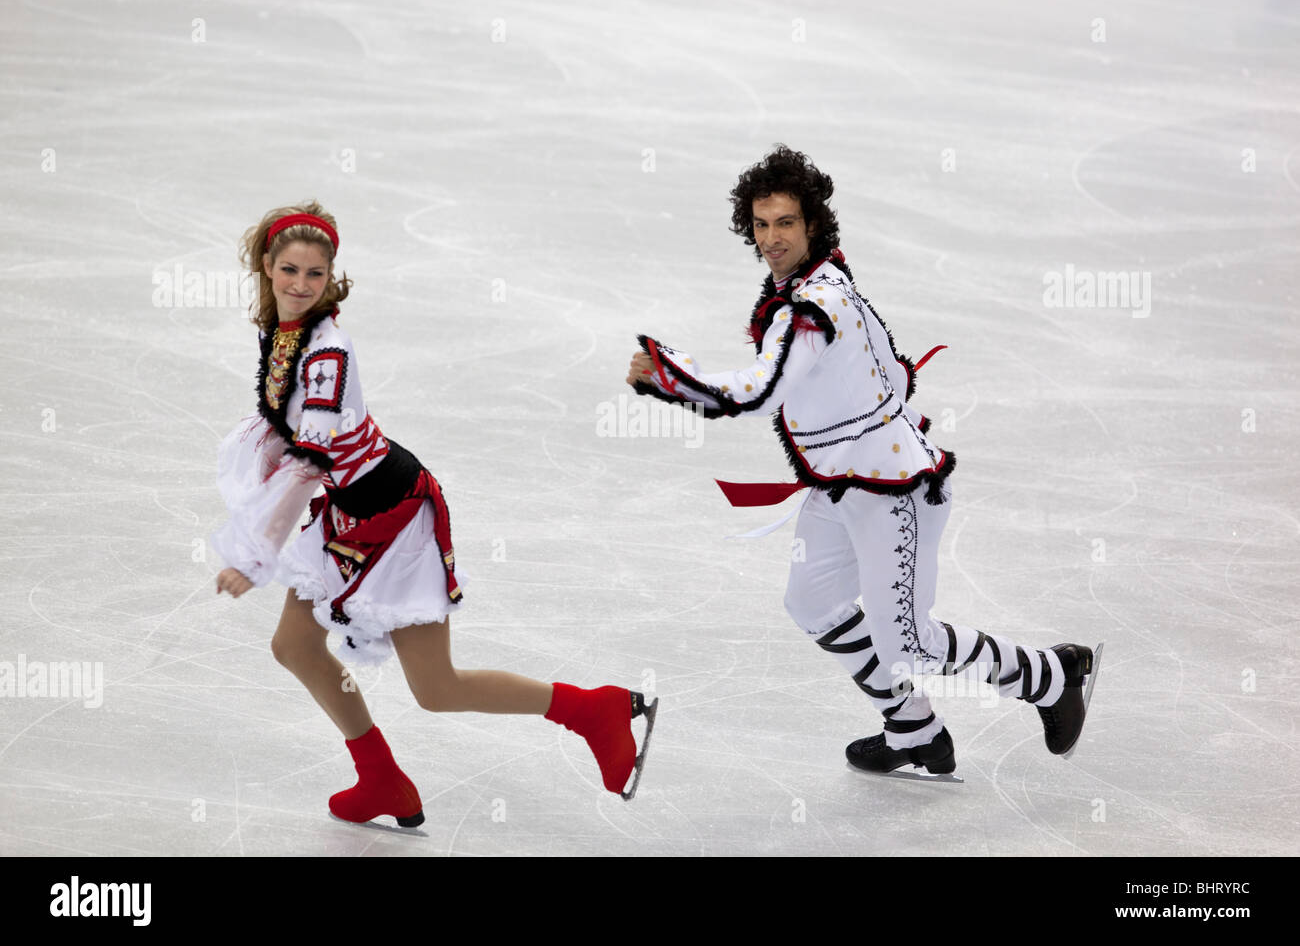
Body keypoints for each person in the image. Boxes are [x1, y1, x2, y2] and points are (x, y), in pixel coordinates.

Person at [626, 147, 1098, 777]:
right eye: (762, 225)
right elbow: (893, 373)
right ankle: (913, 728)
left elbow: (759, 393)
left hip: (892, 491)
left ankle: (1051, 675)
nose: (771, 239)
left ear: (813, 224)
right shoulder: (816, 283)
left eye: (785, 223)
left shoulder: (811, 308)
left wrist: (670, 378)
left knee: (908, 646)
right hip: (843, 487)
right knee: (812, 601)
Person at [213, 202, 656, 826]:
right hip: (348, 509)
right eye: (289, 269)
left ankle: (592, 709)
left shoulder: (327, 356)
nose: (301, 285)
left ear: (331, 274)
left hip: (392, 517)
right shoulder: (282, 331)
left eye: (315, 275)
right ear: (267, 264)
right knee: (295, 645)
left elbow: (310, 462)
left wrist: (254, 553)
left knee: (437, 689)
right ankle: (382, 778)